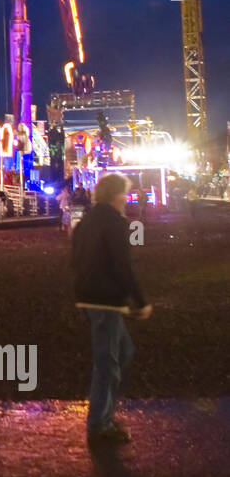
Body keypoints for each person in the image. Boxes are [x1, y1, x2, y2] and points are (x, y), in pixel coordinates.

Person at [72, 172, 152, 445]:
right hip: (105, 300)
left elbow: (76, 258)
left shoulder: (85, 222)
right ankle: (99, 424)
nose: (127, 199)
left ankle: (105, 413)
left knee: (123, 353)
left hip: (88, 296)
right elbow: (123, 266)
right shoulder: (116, 223)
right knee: (108, 363)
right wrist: (140, 301)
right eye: (125, 194)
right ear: (117, 195)